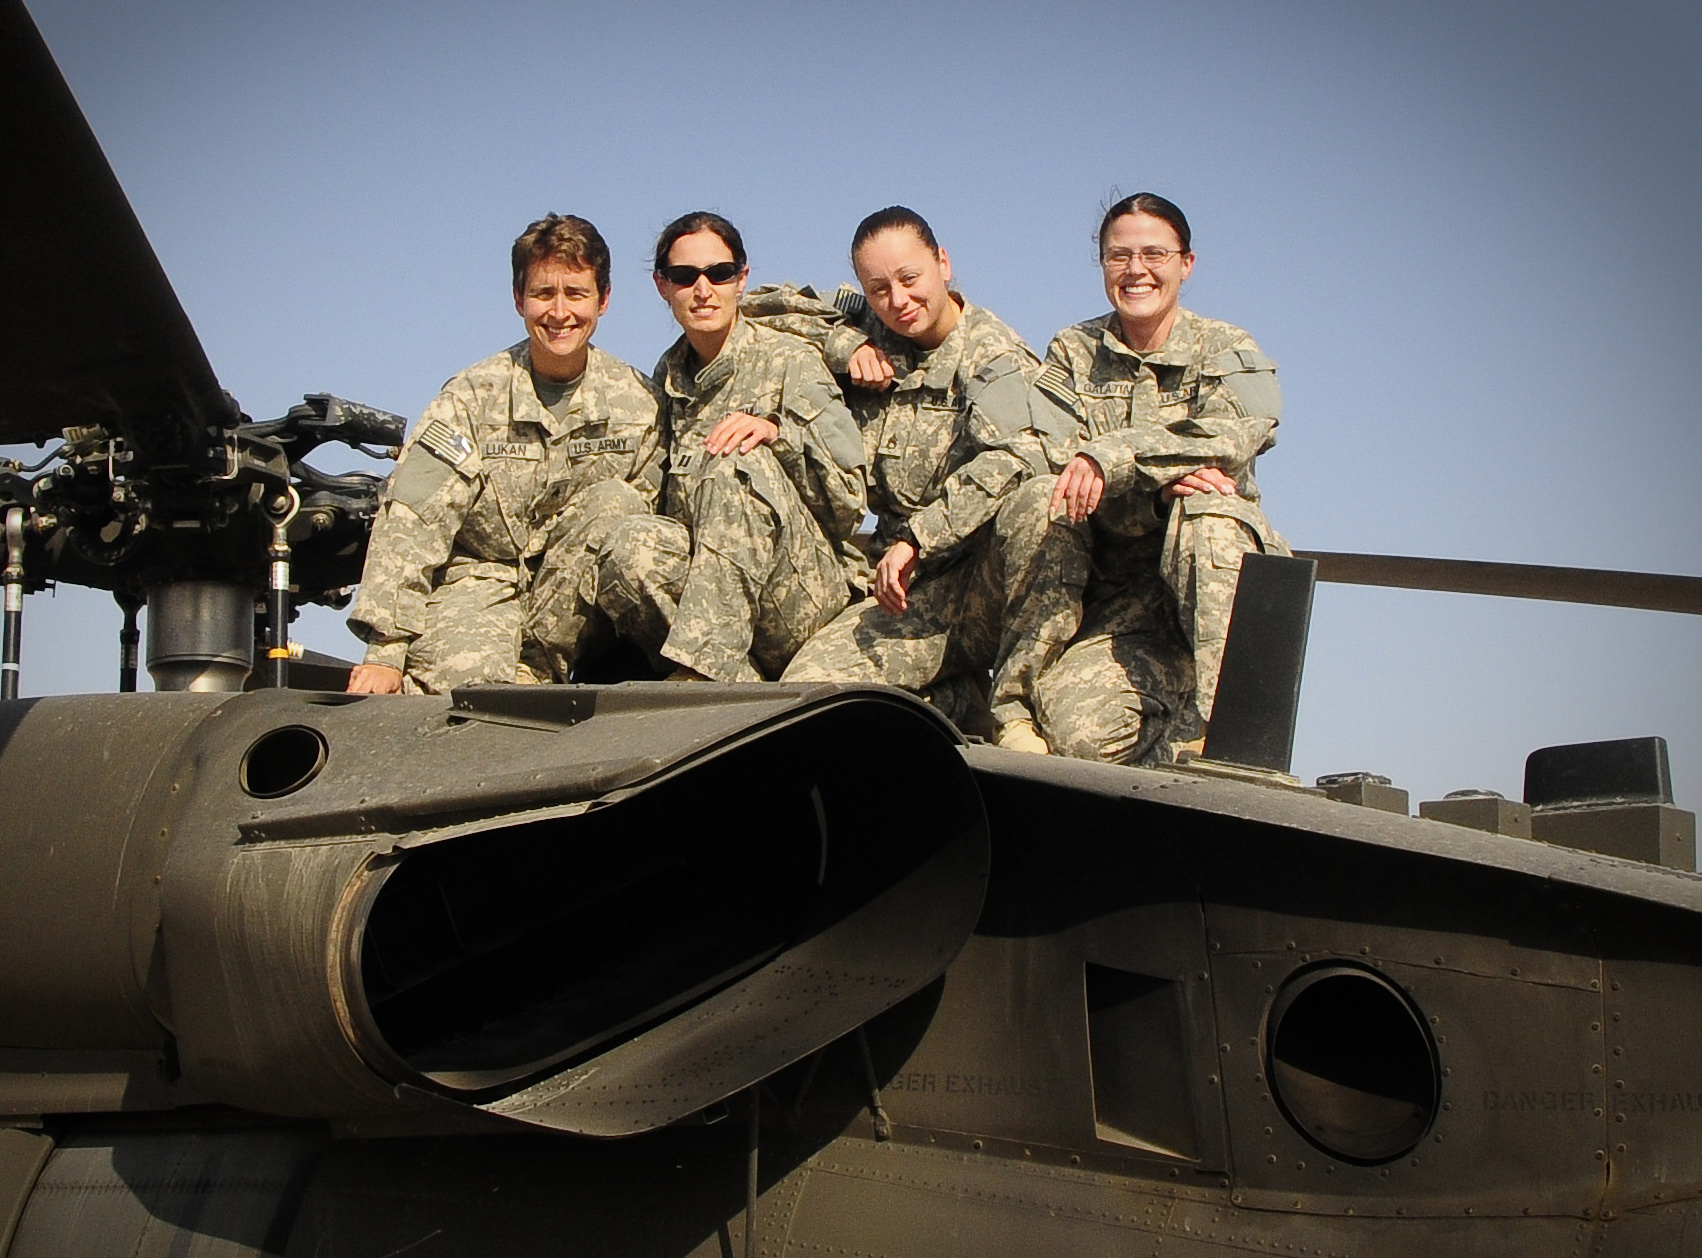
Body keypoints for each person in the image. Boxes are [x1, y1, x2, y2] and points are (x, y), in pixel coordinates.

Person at [771, 207, 1070, 746]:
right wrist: (847, 346)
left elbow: (1014, 462)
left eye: (910, 279)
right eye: (879, 288)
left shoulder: (995, 356)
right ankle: (950, 700)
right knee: (802, 689)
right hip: (888, 581)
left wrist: (917, 539)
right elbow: (757, 308)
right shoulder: (868, 326)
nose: (899, 302)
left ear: (944, 263)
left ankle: (1005, 704)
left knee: (815, 690)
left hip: (968, 582)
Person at [345, 214, 664, 694]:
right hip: (481, 586)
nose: (559, 312)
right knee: (467, 696)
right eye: (543, 294)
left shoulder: (640, 403)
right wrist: (385, 651)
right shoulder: (472, 397)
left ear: (604, 299)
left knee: (618, 505)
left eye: (576, 293)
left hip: (585, 611)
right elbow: (414, 516)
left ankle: (536, 673)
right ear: (519, 299)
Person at [1028, 192, 1288, 762]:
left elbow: (1241, 433)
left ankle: (1231, 739)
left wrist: (1116, 458)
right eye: (1119, 256)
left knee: (1208, 512)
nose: (1136, 270)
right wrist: (1156, 491)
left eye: (1154, 253)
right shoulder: (1072, 352)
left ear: (1185, 263)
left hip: (1218, 590)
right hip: (1127, 607)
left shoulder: (1226, 346)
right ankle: (1173, 742)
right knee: (1078, 737)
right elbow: (1056, 469)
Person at [595, 212, 867, 682]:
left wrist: (778, 436)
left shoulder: (790, 360)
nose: (703, 290)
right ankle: (739, 685)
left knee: (733, 458)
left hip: (802, 594)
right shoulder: (668, 379)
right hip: (719, 595)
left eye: (719, 274)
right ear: (663, 286)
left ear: (741, 280)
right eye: (684, 276)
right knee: (627, 547)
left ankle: (703, 677)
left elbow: (849, 502)